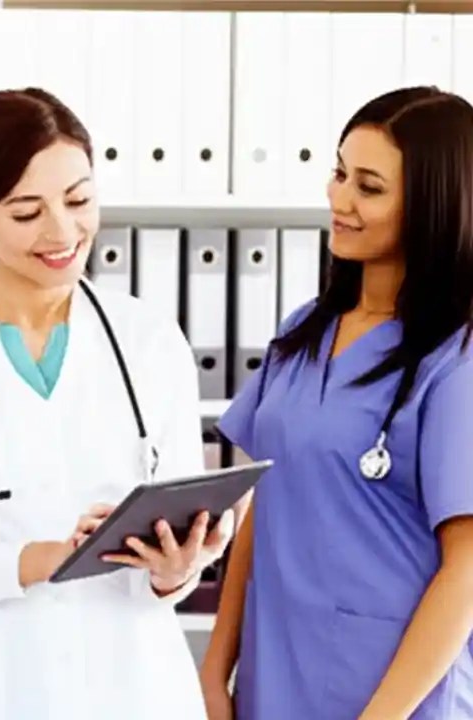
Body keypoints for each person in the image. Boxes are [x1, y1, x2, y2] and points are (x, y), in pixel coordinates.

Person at [0, 87, 239, 719]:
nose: (63, 231)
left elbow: (169, 556)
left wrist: (178, 567)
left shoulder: (149, 340)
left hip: (137, 689)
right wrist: (43, 560)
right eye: (26, 211)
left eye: (79, 200)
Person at [201, 86, 473, 719]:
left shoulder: (455, 360)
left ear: (433, 207)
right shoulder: (302, 334)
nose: (339, 199)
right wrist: (215, 671)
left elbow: (467, 572)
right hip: (275, 679)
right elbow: (263, 502)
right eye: (339, 172)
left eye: (369, 187)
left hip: (391, 694)